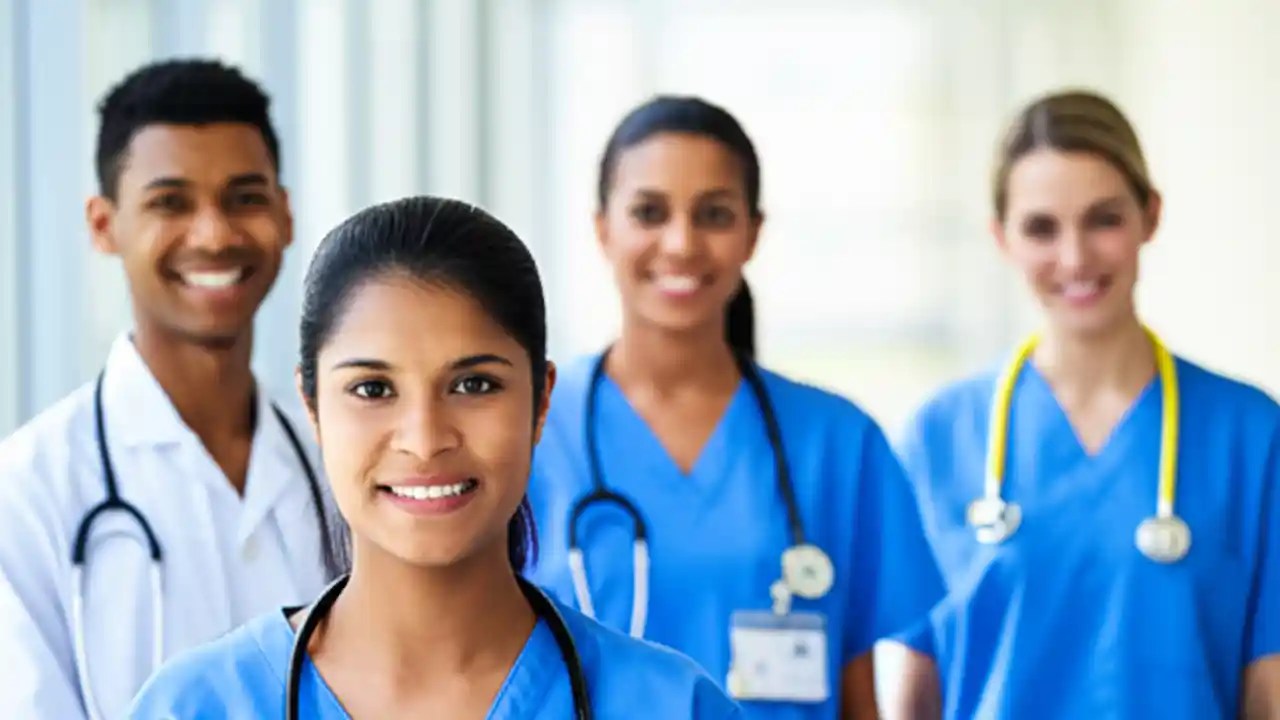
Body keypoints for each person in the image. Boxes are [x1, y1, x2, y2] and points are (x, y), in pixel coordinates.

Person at [128, 195, 745, 718]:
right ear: (313, 408)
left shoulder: (670, 705)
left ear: (540, 400)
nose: (424, 440)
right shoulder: (195, 705)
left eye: (473, 385)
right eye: (372, 389)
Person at [523, 95, 944, 718]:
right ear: (601, 229)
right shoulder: (532, 433)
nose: (682, 242)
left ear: (753, 232)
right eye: (649, 212)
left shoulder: (838, 443)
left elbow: (860, 695)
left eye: (714, 214)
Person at [888, 90, 1280, 719]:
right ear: (1001, 238)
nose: (1074, 258)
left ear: (1150, 217)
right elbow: (917, 690)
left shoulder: (1250, 437)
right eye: (1041, 227)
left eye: (1104, 219)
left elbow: (1269, 687)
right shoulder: (941, 437)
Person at [0, 59, 334, 720]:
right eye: (170, 202)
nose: (213, 233)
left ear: (286, 215)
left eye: (244, 197)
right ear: (104, 225)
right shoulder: (27, 492)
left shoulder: (336, 462)